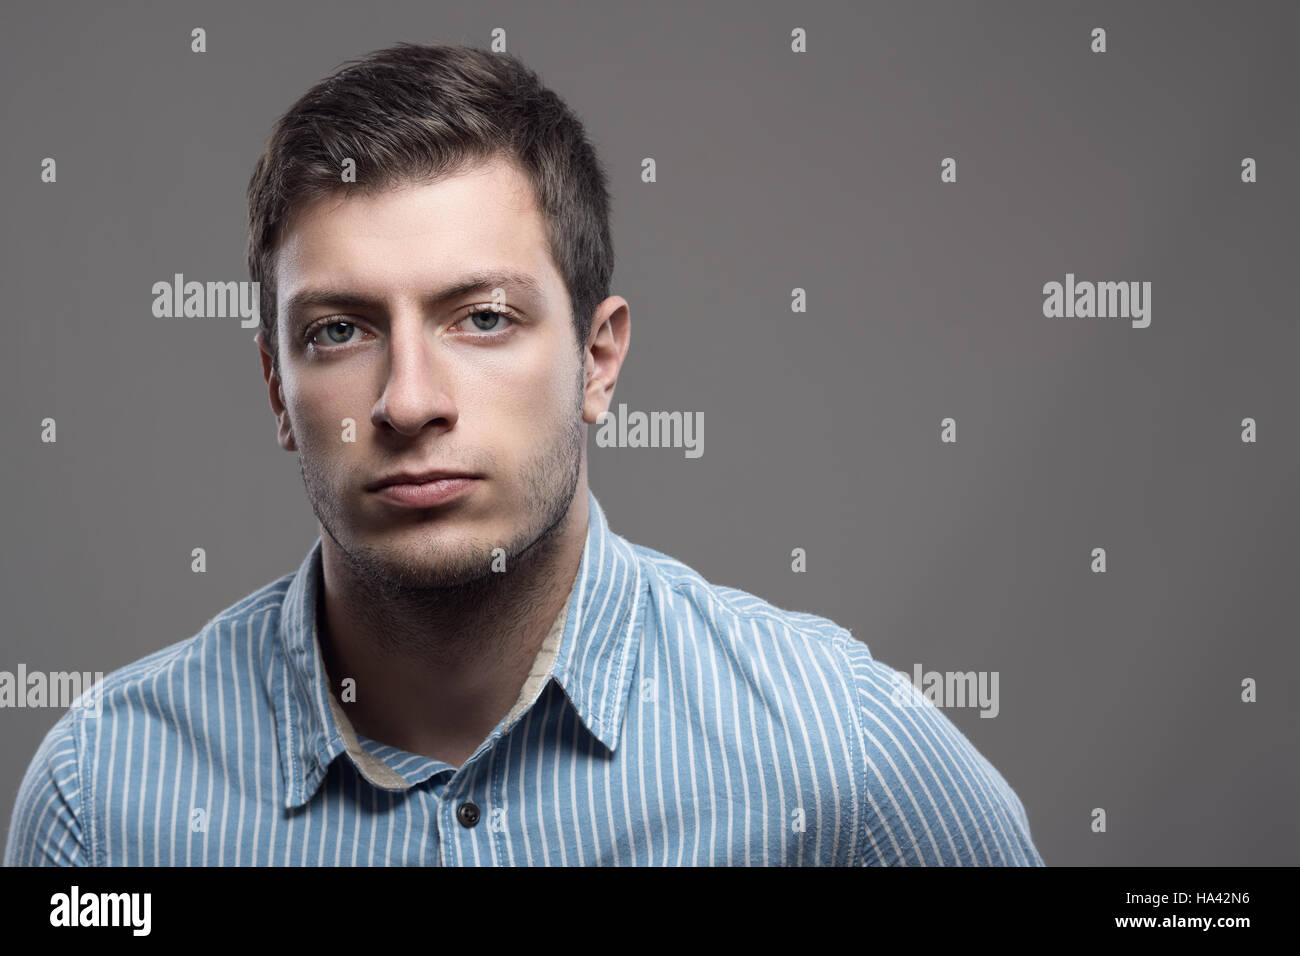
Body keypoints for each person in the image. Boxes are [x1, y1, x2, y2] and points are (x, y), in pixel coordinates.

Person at [5, 43, 1043, 866]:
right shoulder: (104, 802)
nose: (408, 400)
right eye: (338, 330)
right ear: (278, 389)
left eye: (484, 317)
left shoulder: (835, 748)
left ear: (597, 361)